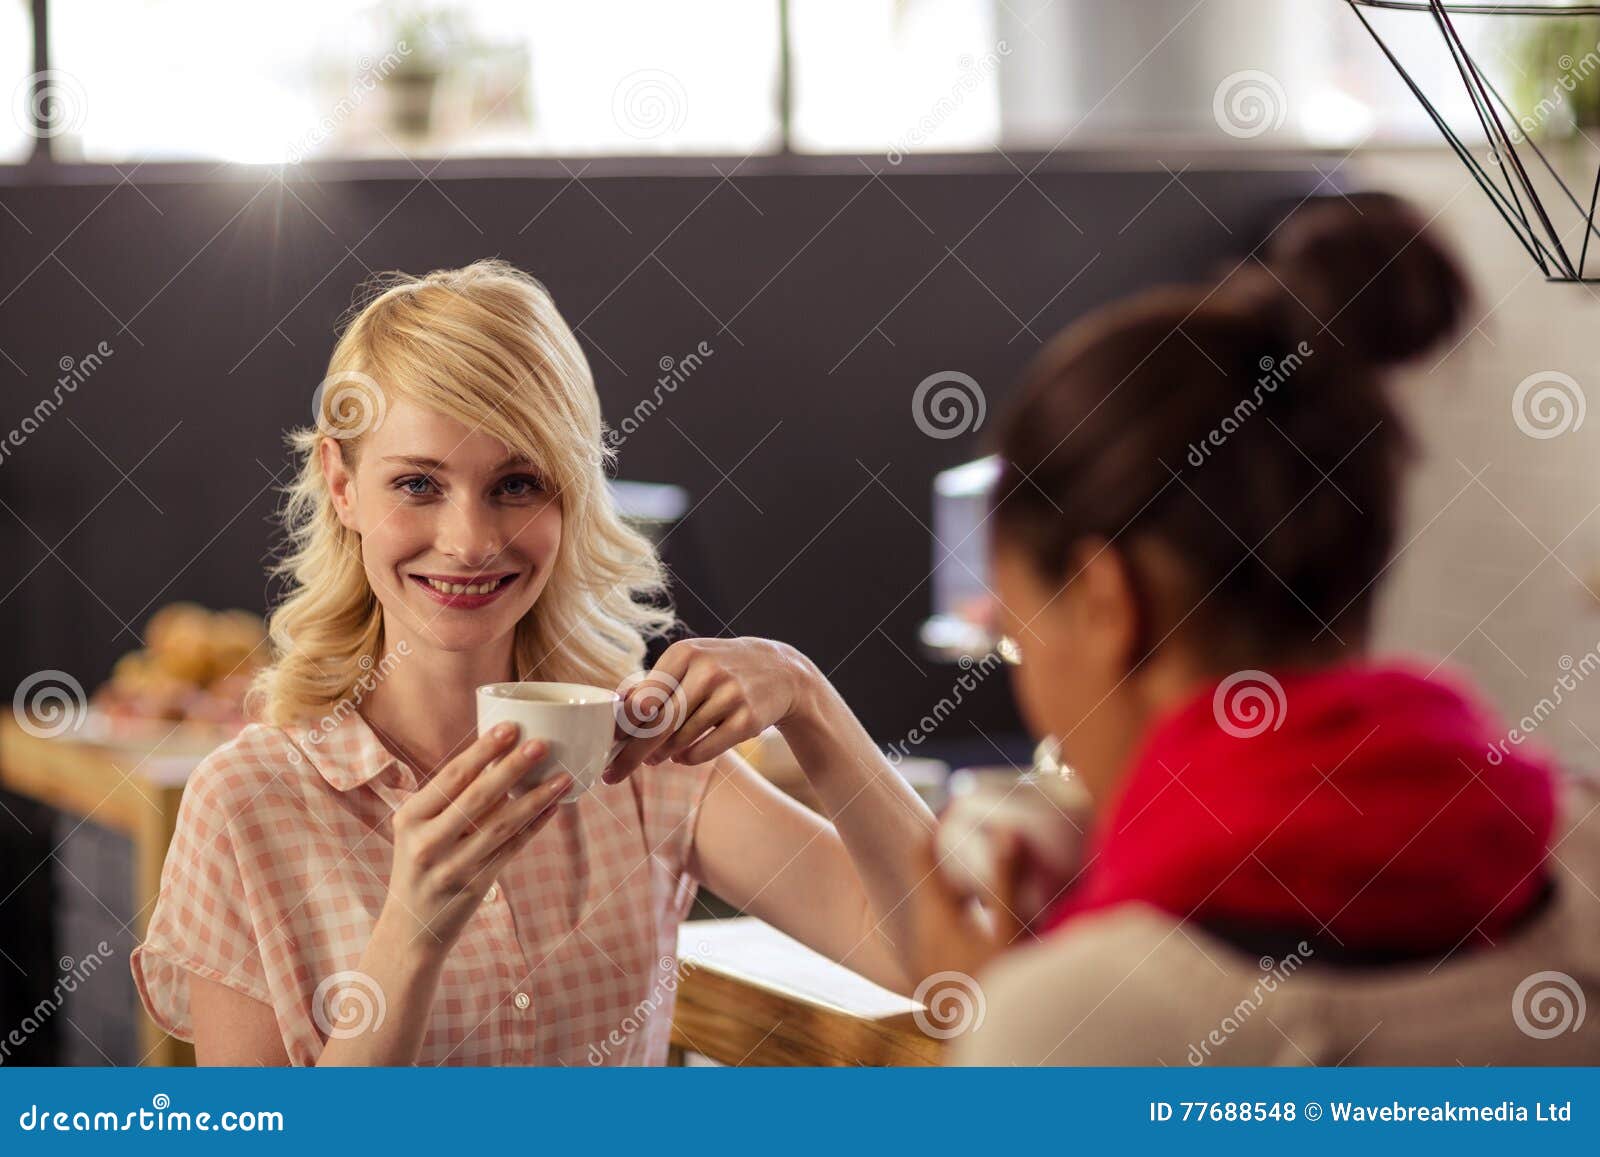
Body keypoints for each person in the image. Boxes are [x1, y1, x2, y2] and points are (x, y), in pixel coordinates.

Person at [131, 260, 938, 1065]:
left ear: (572, 494)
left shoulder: (643, 758)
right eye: (418, 483)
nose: (471, 541)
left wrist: (806, 696)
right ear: (341, 485)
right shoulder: (248, 803)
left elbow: (939, 960)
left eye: (517, 483)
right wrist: (410, 935)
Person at [910, 194, 1600, 1065]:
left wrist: (985, 1039)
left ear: (1104, 601)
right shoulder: (1575, 858)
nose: (1029, 680)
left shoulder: (1079, 1025)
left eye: (1018, 626)